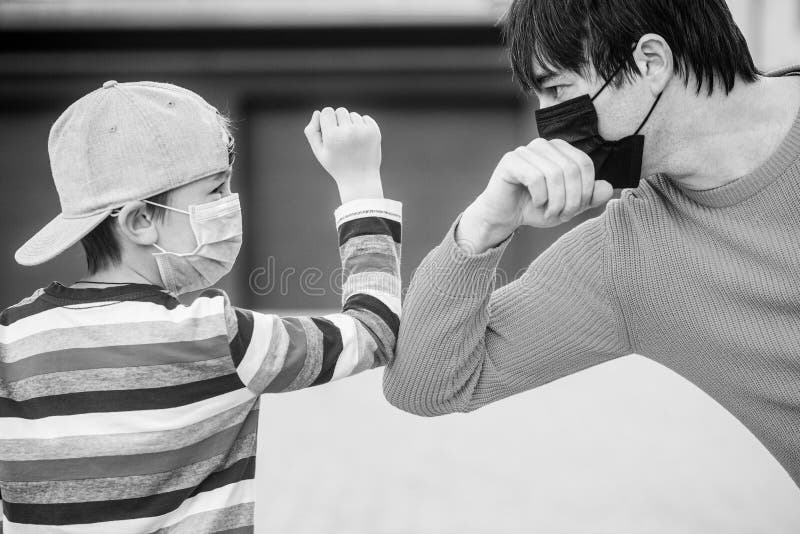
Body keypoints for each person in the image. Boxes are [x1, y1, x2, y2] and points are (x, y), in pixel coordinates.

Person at [383, 0, 800, 489]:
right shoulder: (630, 255)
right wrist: (483, 228)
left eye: (557, 88)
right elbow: (422, 382)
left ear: (650, 63)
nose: (547, 124)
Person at [0, 81, 401, 533]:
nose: (231, 204)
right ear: (139, 220)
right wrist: (361, 183)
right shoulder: (214, 336)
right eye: (215, 191)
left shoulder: (12, 338)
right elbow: (374, 330)